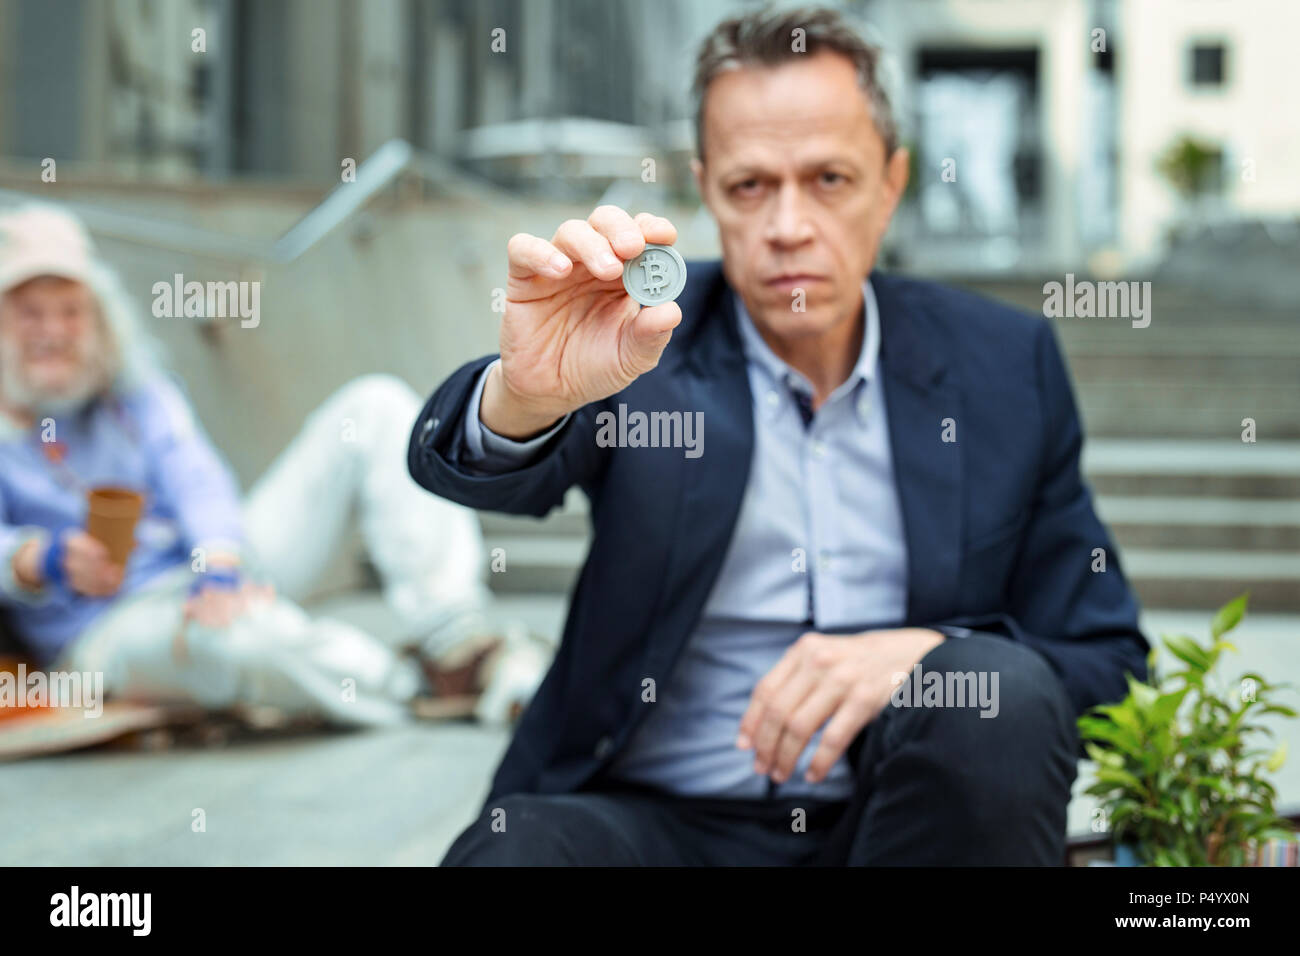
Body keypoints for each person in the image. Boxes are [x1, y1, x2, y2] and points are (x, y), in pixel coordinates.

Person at [411, 6, 1150, 866]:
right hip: (647, 826)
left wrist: (930, 656)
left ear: (891, 184)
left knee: (996, 691)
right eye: (750, 185)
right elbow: (481, 471)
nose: (788, 226)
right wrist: (526, 396)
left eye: (829, 179)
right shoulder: (637, 341)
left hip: (893, 833)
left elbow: (1108, 666)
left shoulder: (1002, 367)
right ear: (707, 189)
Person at [0, 202, 545, 728]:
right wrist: (38, 559)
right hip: (106, 627)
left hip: (208, 573)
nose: (52, 330)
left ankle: (456, 642)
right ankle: (409, 684)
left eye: (70, 311)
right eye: (30, 312)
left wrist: (218, 562)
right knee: (236, 638)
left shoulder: (134, 395)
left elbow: (197, 478)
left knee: (375, 406)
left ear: (97, 320)